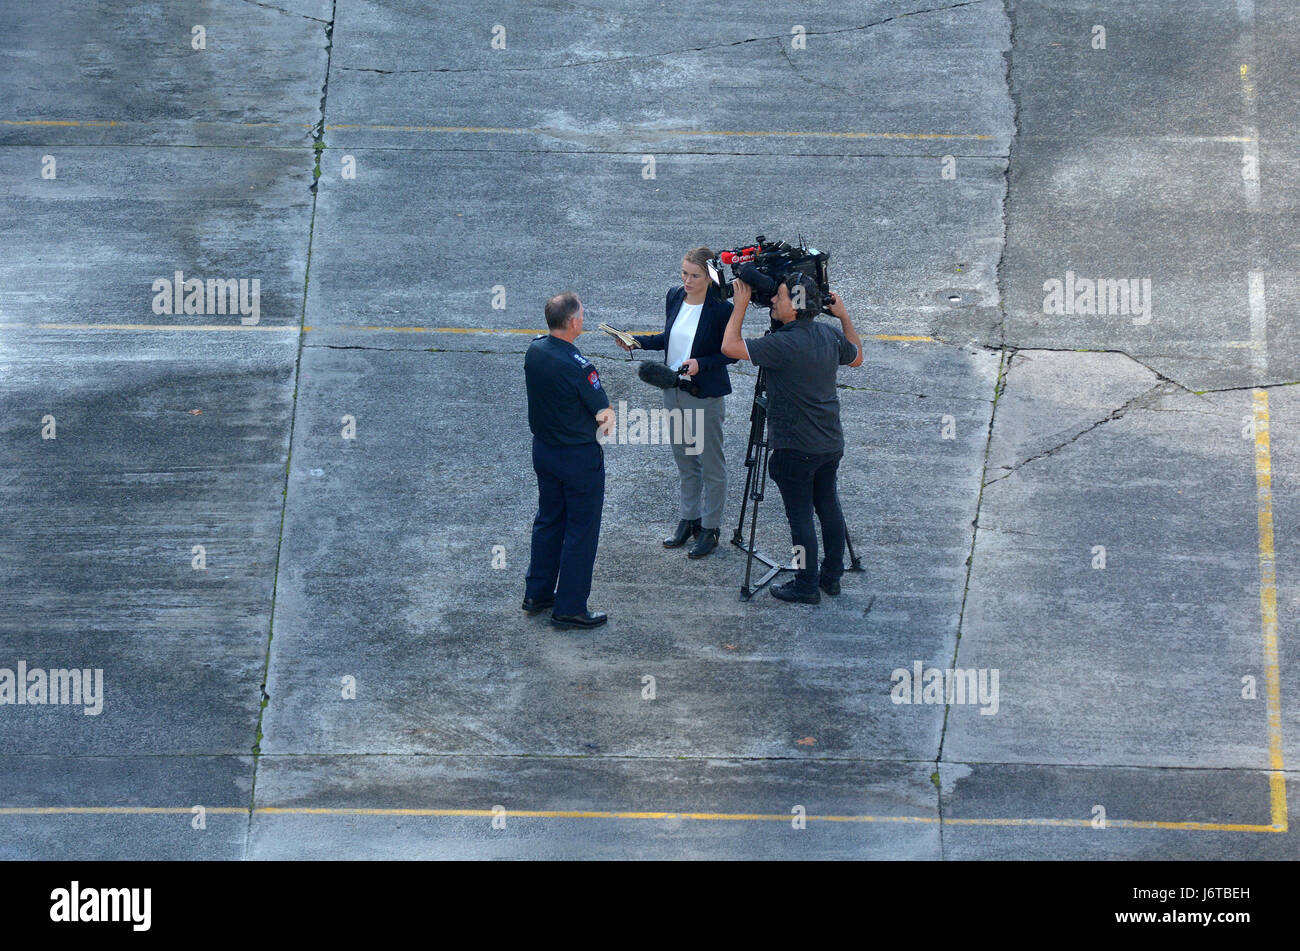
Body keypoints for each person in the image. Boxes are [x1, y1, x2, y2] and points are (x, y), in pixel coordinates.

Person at [721, 273, 864, 604]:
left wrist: (739, 305)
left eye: (779, 297)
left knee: (800, 518)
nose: (772, 300)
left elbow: (729, 346)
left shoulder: (781, 344)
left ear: (796, 305)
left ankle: (805, 583)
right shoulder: (828, 335)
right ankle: (831, 577)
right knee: (828, 505)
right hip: (830, 443)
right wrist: (843, 316)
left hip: (795, 447)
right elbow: (856, 356)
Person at [616, 247, 737, 558]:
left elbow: (731, 352)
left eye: (694, 275)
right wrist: (637, 341)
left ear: (709, 277)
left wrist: (701, 363)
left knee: (711, 465)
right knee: (685, 462)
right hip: (672, 390)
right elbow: (668, 338)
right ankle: (689, 520)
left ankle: (710, 528)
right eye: (684, 273)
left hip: (703, 395)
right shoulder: (674, 296)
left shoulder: (721, 309)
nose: (687, 280)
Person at [522, 291, 616, 628]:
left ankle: (538, 593)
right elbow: (604, 415)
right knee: (581, 529)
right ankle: (571, 606)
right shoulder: (580, 366)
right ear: (573, 322)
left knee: (548, 520)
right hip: (577, 457)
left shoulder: (535, 350)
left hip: (544, 450)